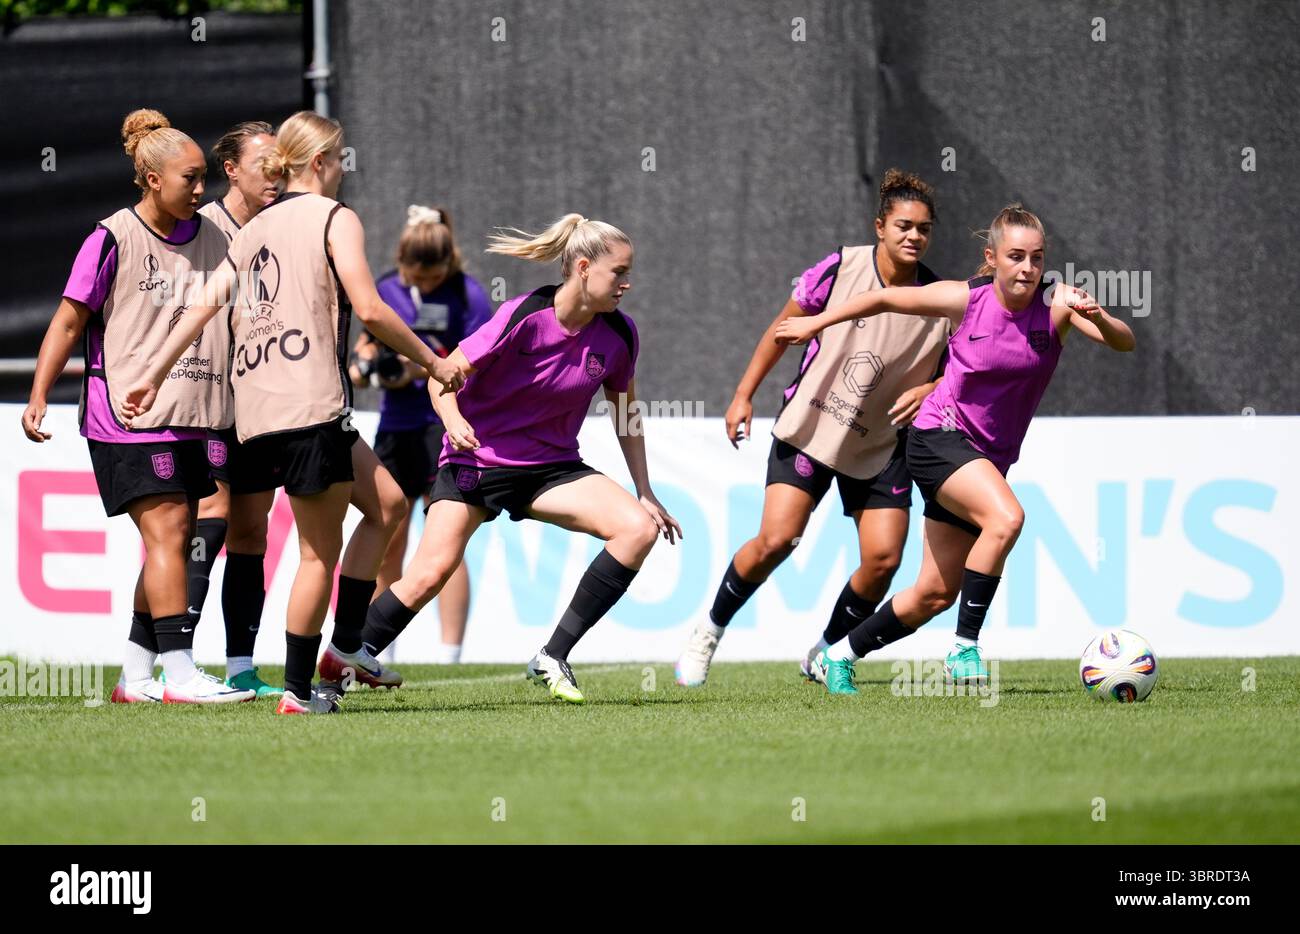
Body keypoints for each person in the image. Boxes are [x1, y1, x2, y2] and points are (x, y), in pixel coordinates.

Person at [118, 110, 463, 714]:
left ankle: (346, 648)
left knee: (385, 506)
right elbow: (373, 311)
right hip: (311, 408)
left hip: (254, 416)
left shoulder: (250, 229)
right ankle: (302, 691)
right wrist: (434, 364)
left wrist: (151, 374)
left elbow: (200, 306)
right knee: (314, 556)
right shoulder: (335, 217)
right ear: (326, 162)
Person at [775, 204, 1136, 694]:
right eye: (1015, 257)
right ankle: (964, 647)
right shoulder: (965, 299)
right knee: (1006, 518)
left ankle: (838, 654)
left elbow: (1124, 343)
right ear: (992, 258)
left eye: (1036, 257)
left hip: (988, 458)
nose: (1028, 268)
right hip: (938, 437)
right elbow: (882, 300)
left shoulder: (1058, 305)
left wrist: (1100, 315)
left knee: (934, 593)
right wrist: (813, 324)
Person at [355, 214, 682, 704]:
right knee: (430, 571)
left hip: (549, 470)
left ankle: (553, 656)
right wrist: (453, 421)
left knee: (637, 528)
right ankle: (348, 656)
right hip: (476, 461)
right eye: (618, 272)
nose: (626, 283)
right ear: (584, 267)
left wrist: (645, 490)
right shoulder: (524, 315)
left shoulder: (620, 334)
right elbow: (441, 379)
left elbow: (626, 414)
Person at [675, 169, 949, 687]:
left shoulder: (941, 297)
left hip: (881, 444)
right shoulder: (840, 267)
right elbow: (782, 331)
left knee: (884, 560)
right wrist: (742, 395)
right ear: (879, 227)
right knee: (777, 539)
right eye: (904, 226)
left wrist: (928, 390)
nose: (914, 236)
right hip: (811, 428)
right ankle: (709, 631)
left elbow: (960, 370)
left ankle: (824, 653)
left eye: (924, 229)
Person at [22, 108, 253, 703]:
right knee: (171, 530)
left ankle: (134, 675)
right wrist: (40, 394)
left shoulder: (217, 236)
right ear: (153, 179)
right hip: (126, 414)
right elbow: (70, 319)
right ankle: (179, 672)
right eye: (190, 180)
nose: (201, 191)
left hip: (197, 413)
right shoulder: (111, 237)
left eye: (205, 178)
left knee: (179, 535)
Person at [348, 204, 491, 665]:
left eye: (433, 278)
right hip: (395, 428)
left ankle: (452, 652)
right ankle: (377, 650)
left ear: (449, 263)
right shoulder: (386, 288)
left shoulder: (469, 296)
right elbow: (360, 357)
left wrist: (415, 369)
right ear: (403, 263)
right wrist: (371, 368)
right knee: (388, 538)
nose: (424, 285)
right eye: (417, 277)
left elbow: (479, 367)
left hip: (447, 429)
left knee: (447, 543)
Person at [188, 120, 282, 696]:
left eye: (280, 164)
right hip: (205, 405)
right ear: (231, 170)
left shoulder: (282, 227)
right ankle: (169, 659)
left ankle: (240, 666)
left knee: (251, 532)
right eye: (262, 164)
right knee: (209, 520)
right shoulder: (202, 231)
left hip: (261, 410)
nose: (275, 174)